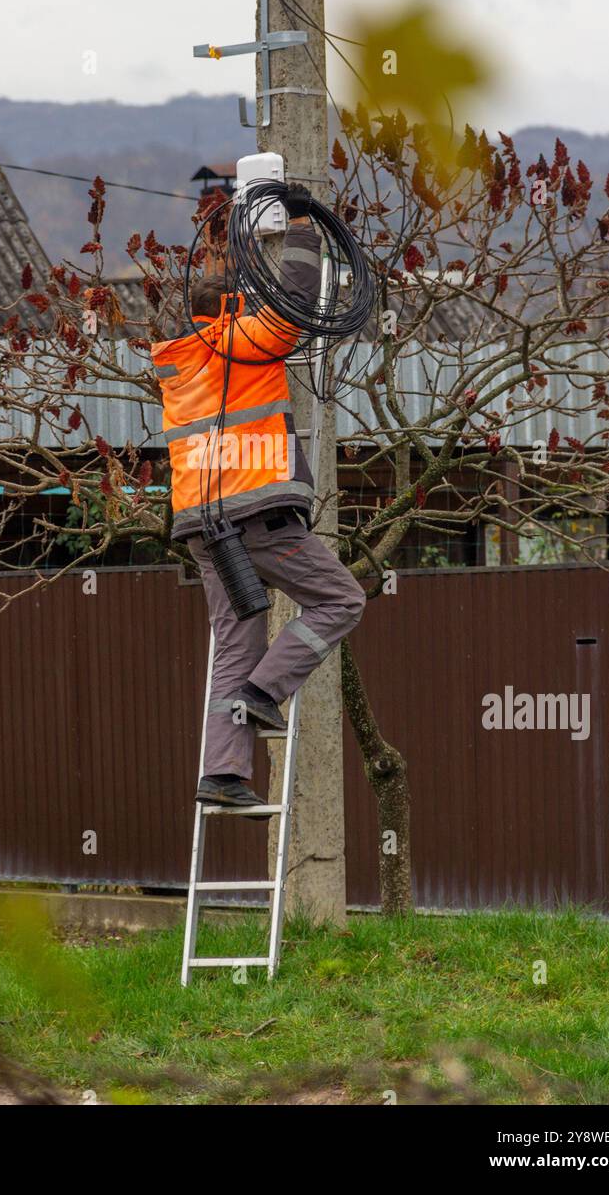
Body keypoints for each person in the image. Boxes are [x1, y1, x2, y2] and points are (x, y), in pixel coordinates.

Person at [151, 183, 366, 807]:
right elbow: (296, 300)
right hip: (259, 516)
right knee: (340, 600)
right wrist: (300, 224)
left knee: (235, 639)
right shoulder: (240, 343)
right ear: (229, 313)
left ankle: (222, 774)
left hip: (201, 526)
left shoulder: (180, 365)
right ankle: (266, 693)